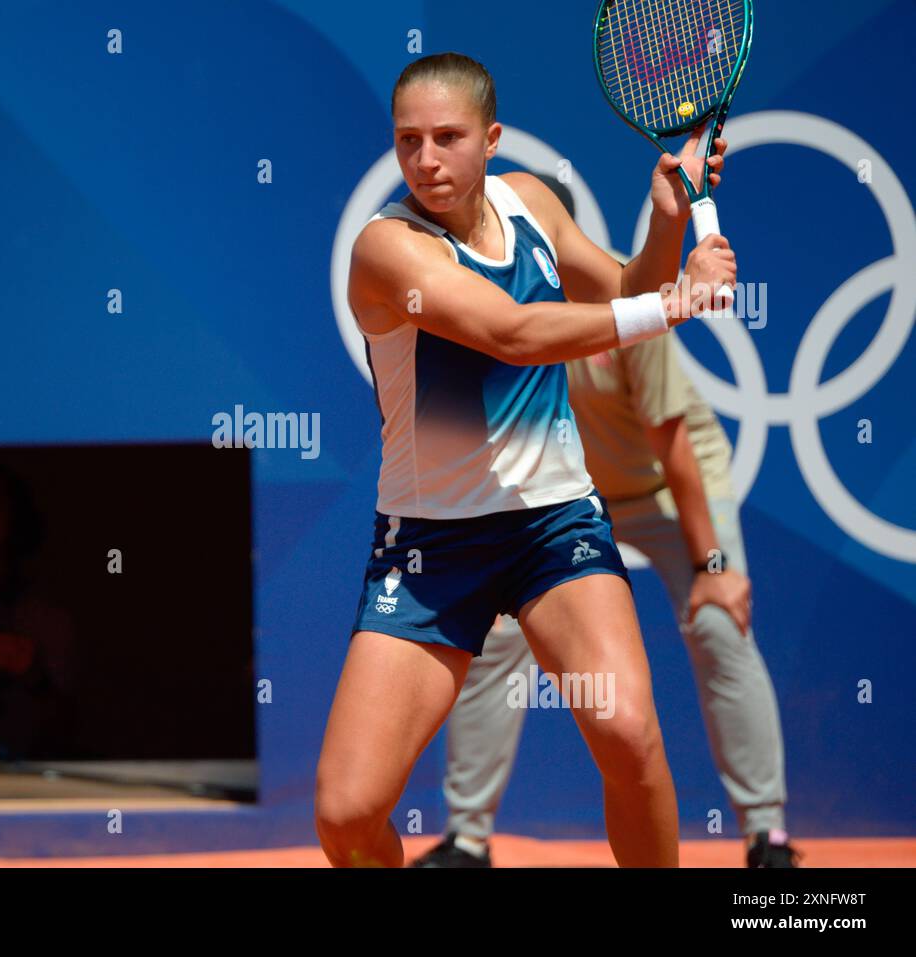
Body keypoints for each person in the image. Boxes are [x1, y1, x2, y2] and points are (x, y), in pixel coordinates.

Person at [315, 51, 735, 867]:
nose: (426, 160)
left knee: (628, 731)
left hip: (553, 524)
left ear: (492, 138)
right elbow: (509, 331)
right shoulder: (388, 250)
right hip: (431, 546)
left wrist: (667, 223)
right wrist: (675, 301)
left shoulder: (532, 203)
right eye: (408, 141)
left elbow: (615, 290)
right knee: (346, 811)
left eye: (447, 137)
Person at [411, 180, 797, 869]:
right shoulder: (491, 304)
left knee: (717, 621)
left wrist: (713, 567)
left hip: (667, 489)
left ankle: (765, 833)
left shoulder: (624, 308)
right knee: (495, 639)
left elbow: (672, 441)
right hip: (567, 497)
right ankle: (467, 840)